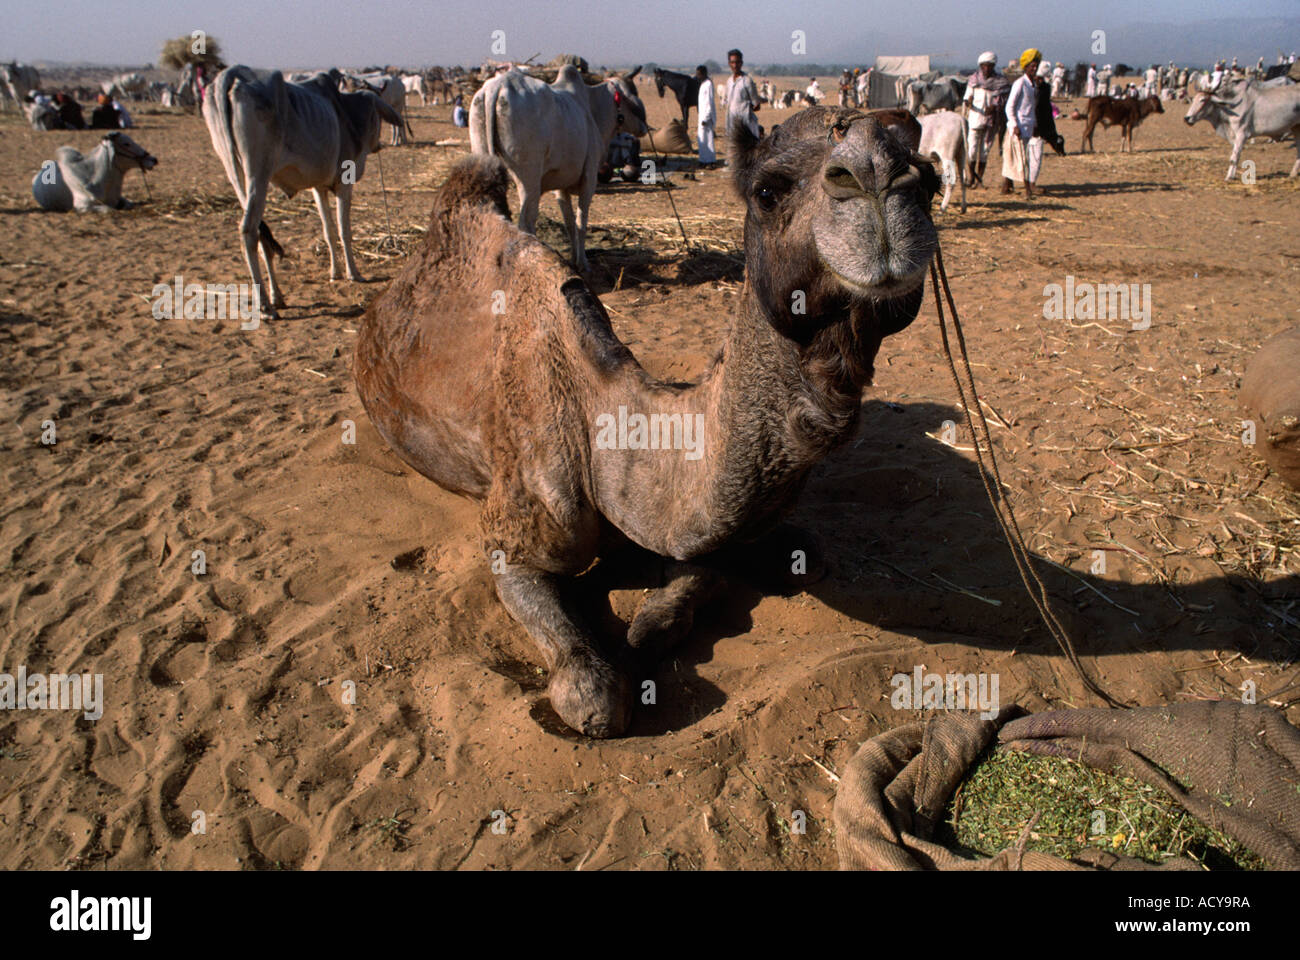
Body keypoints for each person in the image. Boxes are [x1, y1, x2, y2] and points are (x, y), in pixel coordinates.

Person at [963, 51, 1009, 188]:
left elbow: (1004, 100)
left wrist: (995, 107)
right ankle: (971, 178)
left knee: (984, 152)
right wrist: (969, 102)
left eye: (989, 66)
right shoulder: (974, 80)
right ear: (980, 66)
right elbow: (966, 98)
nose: (986, 69)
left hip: (991, 122)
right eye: (984, 66)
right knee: (971, 150)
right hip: (975, 119)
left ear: (993, 66)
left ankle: (979, 179)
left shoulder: (1000, 82)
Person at [1003, 48, 1042, 199]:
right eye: (1031, 65)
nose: (1034, 68)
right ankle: (1027, 191)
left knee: (1019, 159)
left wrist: (1035, 124)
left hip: (1028, 126)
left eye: (1035, 65)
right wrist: (1014, 125)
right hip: (1018, 127)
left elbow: (1030, 108)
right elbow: (1009, 106)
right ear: (1026, 67)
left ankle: (1006, 186)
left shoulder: (1032, 85)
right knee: (1022, 161)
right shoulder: (1020, 83)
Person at [723, 48, 760, 140]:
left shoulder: (747, 81)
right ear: (729, 63)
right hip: (731, 124)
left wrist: (745, 110)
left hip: (746, 125)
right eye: (732, 62)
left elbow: (757, 105)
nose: (735, 65)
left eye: (737, 62)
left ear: (741, 63)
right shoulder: (729, 81)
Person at [696, 65, 716, 166]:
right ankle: (703, 160)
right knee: (702, 139)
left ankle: (709, 160)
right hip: (702, 115)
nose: (697, 76)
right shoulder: (703, 84)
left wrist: (706, 117)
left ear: (703, 73)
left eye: (698, 74)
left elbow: (709, 102)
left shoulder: (708, 84)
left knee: (707, 139)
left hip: (706, 117)